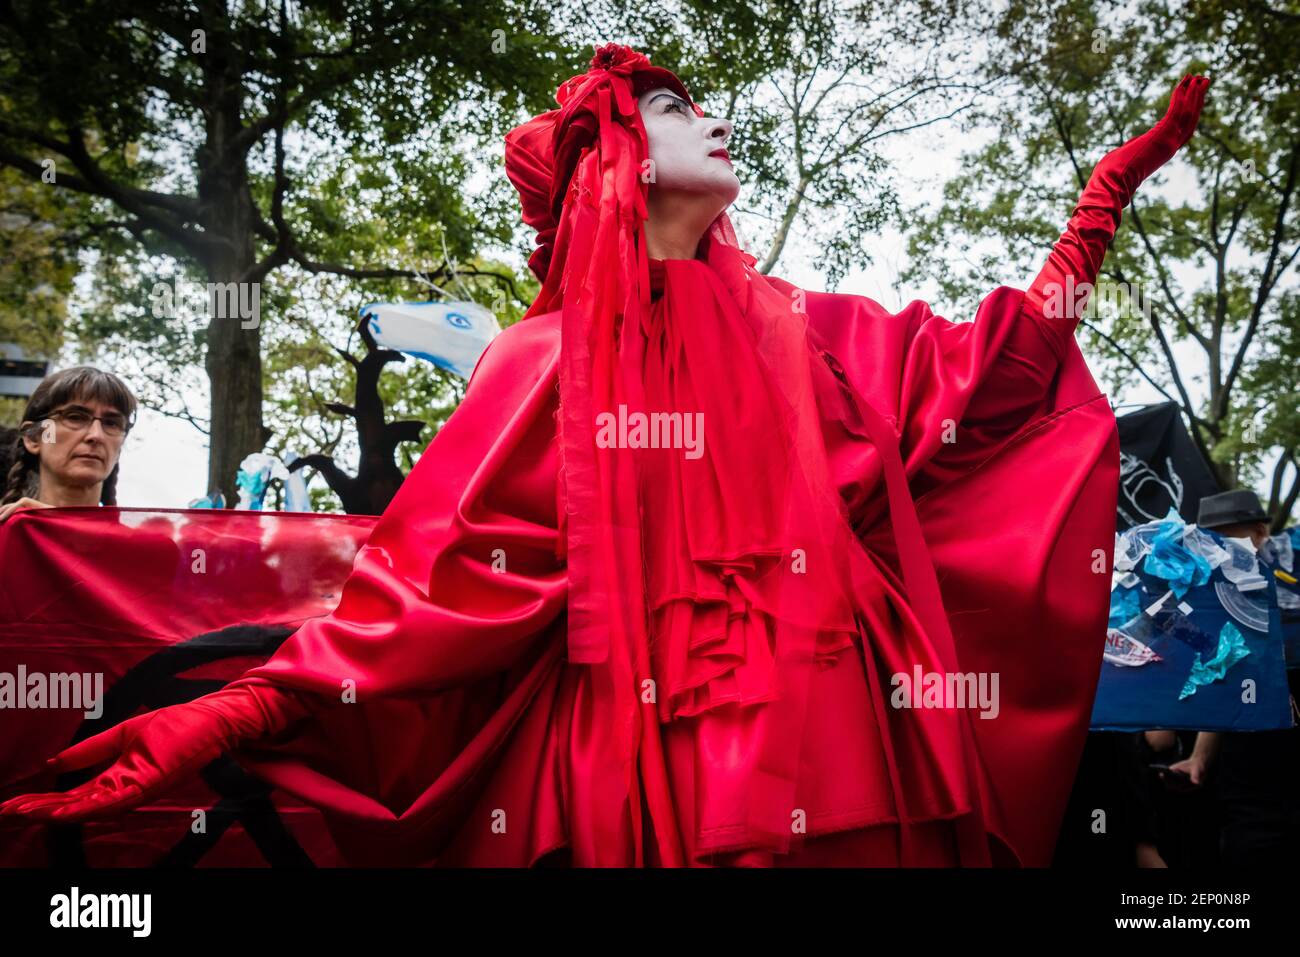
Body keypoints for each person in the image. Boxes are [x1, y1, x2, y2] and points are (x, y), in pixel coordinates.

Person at [0, 46, 1211, 867]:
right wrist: (236, 712)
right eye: (680, 108)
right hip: (630, 775)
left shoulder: (812, 331)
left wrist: (1106, 195)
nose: (716, 117)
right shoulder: (543, 359)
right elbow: (438, 591)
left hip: (854, 755)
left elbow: (1000, 371)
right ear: (616, 157)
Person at [1178, 488, 1300, 867]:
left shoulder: (1290, 573)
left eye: (1231, 536)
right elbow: (1220, 672)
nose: (1221, 548)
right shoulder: (1202, 596)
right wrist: (1198, 758)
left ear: (1261, 532)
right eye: (1212, 539)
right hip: (1250, 771)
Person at [0, 366, 136, 523]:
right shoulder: (6, 536)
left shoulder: (145, 546)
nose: (96, 435)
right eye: (75, 417)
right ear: (35, 438)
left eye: (111, 423)